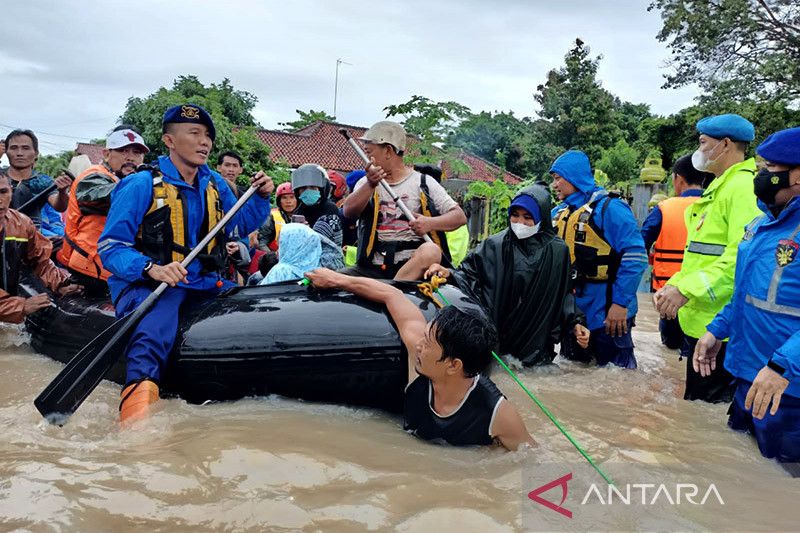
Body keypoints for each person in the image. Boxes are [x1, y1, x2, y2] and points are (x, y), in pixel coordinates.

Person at [98, 104, 274, 424]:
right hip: (149, 283)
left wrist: (261, 197)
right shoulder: (140, 184)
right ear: (169, 140)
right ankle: (137, 420)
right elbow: (111, 247)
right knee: (153, 329)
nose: (204, 142)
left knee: (251, 303)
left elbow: (239, 225)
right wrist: (152, 269)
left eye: (207, 135)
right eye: (194, 133)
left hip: (202, 281)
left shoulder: (215, 184)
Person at [304, 267, 536, 450]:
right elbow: (391, 295)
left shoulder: (497, 414)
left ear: (453, 365)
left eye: (427, 344)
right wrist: (337, 279)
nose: (418, 346)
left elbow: (533, 461)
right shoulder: (421, 359)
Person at [694, 127, 800, 466]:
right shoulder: (759, 227)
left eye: (771, 168)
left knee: (783, 483)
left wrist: (783, 365)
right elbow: (744, 294)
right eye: (761, 167)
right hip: (749, 377)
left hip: (788, 390)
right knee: (742, 475)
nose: (762, 175)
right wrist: (717, 330)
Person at [655, 114, 762, 403]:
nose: (699, 151)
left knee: (710, 406)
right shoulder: (719, 187)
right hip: (703, 323)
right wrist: (674, 285)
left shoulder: (742, 189)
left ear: (725, 144)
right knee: (696, 409)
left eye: (703, 143)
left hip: (721, 329)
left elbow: (741, 258)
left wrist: (685, 289)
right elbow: (699, 256)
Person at [425, 184, 590, 366]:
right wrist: (449, 273)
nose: (520, 222)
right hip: (498, 341)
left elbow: (564, 294)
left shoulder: (557, 251)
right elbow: (468, 275)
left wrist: (576, 322)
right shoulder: (494, 245)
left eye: (528, 217)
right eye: (515, 215)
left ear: (541, 218)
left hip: (537, 347)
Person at [551, 150, 648, 368]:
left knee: (618, 376)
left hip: (609, 312)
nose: (554, 185)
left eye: (558, 178)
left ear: (575, 177)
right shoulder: (559, 213)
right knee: (574, 373)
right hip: (575, 314)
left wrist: (620, 304)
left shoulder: (610, 209)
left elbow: (636, 256)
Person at [343, 121, 467, 281]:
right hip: (372, 267)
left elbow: (459, 217)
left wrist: (429, 223)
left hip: (413, 266)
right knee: (323, 279)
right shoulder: (365, 182)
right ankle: (389, 289)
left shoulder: (423, 182)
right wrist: (370, 184)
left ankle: (390, 289)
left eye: (370, 153)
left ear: (388, 151)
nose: (367, 159)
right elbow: (348, 212)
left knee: (431, 251)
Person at [57, 126, 149, 296]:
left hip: (120, 265)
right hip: (91, 269)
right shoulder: (93, 176)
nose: (130, 157)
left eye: (136, 152)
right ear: (106, 154)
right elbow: (102, 195)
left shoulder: (133, 181)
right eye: (123, 150)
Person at [641, 155, 711, 349]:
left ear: (678, 179)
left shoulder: (664, 208)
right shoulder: (717, 206)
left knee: (670, 348)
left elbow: (639, 245)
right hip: (706, 292)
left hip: (668, 293)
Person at [0, 173, 81, 323]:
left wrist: (61, 285)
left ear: (11, 191)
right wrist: (20, 306)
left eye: (3, 192)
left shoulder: (21, 223)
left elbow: (41, 261)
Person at [3, 130, 73, 229]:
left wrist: (62, 192)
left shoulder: (43, 181)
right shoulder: (1, 177)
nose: (19, 153)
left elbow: (59, 207)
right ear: (6, 152)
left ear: (36, 153)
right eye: (14, 148)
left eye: (25, 148)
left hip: (32, 234)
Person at [257, 181, 296, 251]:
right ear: (279, 201)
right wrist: (272, 256)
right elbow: (262, 242)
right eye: (284, 198)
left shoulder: (305, 215)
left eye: (292, 197)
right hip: (276, 255)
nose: (288, 201)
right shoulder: (272, 216)